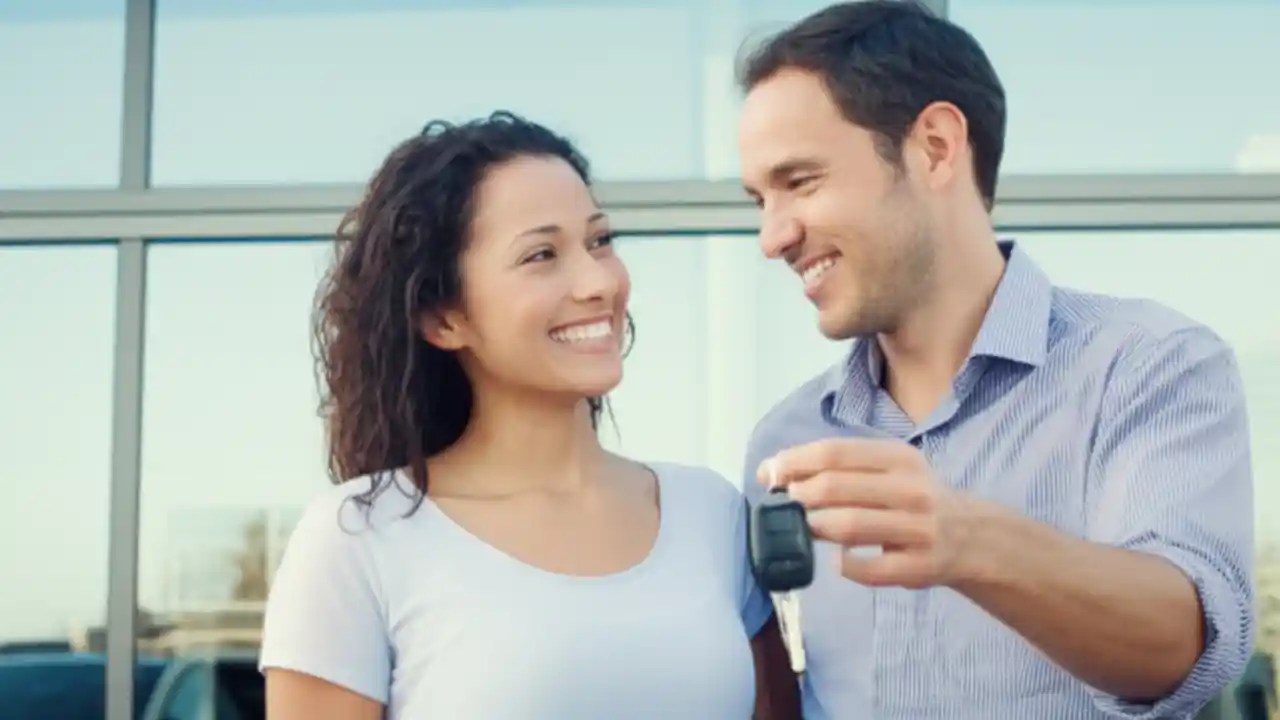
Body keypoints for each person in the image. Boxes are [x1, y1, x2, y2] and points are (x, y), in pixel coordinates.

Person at [734, 2, 1255, 718]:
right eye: (759, 200)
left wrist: (969, 539)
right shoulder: (784, 441)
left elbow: (1183, 648)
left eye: (801, 182)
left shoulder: (1146, 367)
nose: (772, 236)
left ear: (938, 147)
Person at [258, 112, 799, 719]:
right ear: (443, 319)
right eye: (542, 254)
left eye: (599, 240)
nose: (597, 282)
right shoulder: (359, 537)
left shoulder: (709, 511)